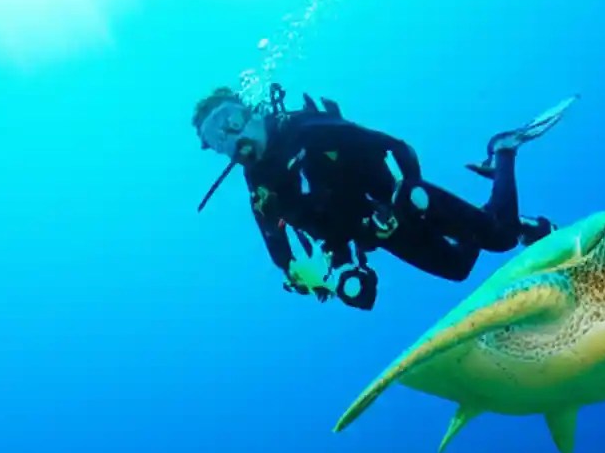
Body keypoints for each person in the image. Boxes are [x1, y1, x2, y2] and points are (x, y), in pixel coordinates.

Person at [193, 83, 577, 310]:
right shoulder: (259, 187)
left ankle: (503, 150)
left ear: (249, 111)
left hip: (399, 197)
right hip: (373, 231)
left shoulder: (305, 128)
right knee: (458, 268)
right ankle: (504, 220)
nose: (231, 138)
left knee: (500, 238)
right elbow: (278, 247)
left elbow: (393, 145)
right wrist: (312, 277)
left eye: (230, 122)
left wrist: (409, 183)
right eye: (218, 140)